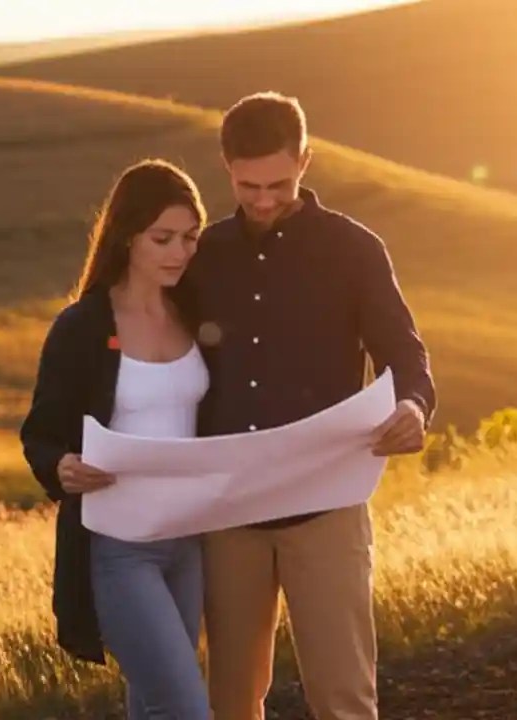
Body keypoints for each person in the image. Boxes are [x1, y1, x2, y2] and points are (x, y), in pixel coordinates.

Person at [180, 92, 437, 720]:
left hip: (328, 505)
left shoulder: (355, 249)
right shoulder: (201, 257)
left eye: (278, 182)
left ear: (306, 160)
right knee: (231, 699)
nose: (264, 199)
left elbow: (404, 351)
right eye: (248, 185)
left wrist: (412, 406)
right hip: (230, 510)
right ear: (225, 166)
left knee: (344, 695)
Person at [19, 159, 215, 719]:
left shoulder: (196, 311)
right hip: (119, 549)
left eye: (190, 239)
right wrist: (62, 467)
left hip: (189, 541)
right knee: (184, 707)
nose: (179, 252)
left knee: (155, 706)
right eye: (164, 239)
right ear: (128, 236)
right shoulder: (81, 327)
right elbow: (41, 433)